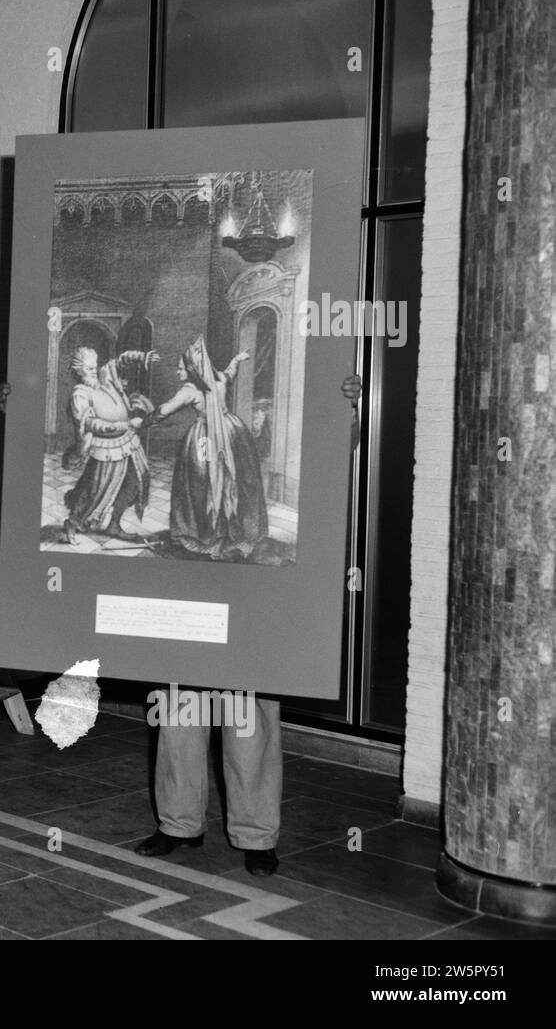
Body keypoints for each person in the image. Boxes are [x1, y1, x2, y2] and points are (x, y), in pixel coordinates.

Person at [136, 372, 364, 877]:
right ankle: (177, 825)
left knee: (250, 716)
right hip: (194, 589)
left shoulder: (235, 428)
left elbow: (323, 454)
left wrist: (342, 410)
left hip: (251, 591)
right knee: (179, 709)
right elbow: (153, 416)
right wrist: (21, 408)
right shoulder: (196, 417)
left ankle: (256, 834)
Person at [148, 336, 267, 560]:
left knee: (201, 482)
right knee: (236, 478)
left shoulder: (189, 390)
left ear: (193, 369)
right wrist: (238, 359)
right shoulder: (219, 379)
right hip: (234, 432)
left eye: (181, 368)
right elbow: (230, 372)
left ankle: (208, 535)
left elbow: (163, 411)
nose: (177, 372)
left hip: (205, 438)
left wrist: (144, 418)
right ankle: (235, 533)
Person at [61, 347, 157, 544]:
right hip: (106, 449)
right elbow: (91, 424)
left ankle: (115, 524)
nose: (94, 372)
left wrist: (141, 356)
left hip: (129, 442)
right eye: (88, 369)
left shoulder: (104, 378)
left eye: (94, 367)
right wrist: (126, 424)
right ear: (79, 371)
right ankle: (73, 523)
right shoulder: (79, 394)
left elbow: (121, 360)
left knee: (135, 483)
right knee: (97, 492)